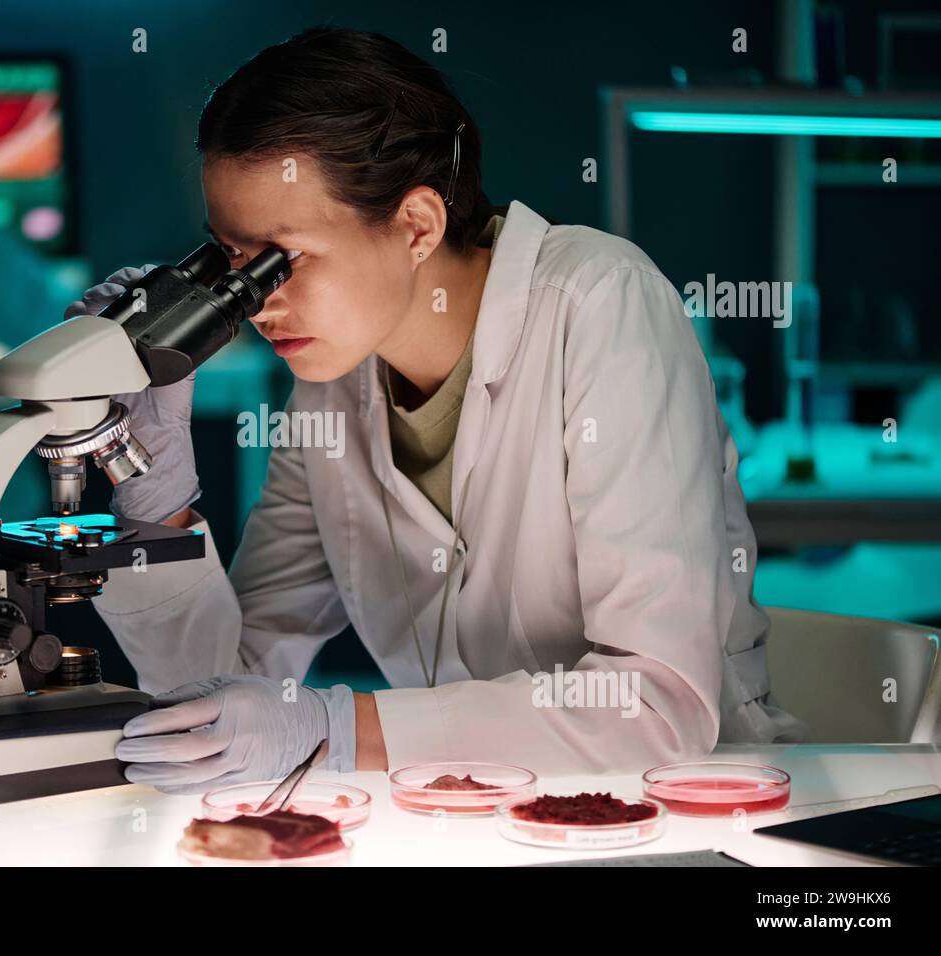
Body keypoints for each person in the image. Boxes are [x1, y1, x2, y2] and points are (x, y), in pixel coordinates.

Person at [66, 26, 807, 795]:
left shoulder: (600, 303)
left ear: (417, 226)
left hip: (701, 811)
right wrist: (160, 509)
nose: (258, 305)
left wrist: (337, 727)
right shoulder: (334, 376)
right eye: (232, 263)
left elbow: (658, 706)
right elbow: (231, 696)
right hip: (474, 817)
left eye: (282, 260)